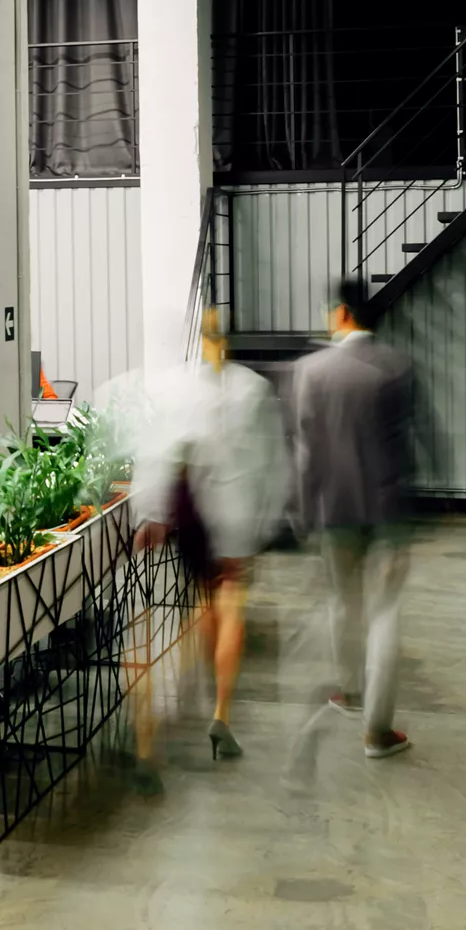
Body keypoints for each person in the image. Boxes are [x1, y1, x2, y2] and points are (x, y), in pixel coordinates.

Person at [129, 311, 288, 783]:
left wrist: (151, 514)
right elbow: (273, 463)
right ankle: (221, 713)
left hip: (192, 514)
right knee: (229, 607)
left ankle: (152, 734)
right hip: (236, 516)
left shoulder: (174, 387)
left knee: (190, 608)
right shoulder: (253, 389)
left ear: (200, 339)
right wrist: (268, 520)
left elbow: (158, 454)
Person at [289, 279, 424, 759]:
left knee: (343, 605)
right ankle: (377, 731)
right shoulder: (397, 366)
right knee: (385, 613)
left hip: (335, 510)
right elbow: (412, 440)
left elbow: (306, 453)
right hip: (388, 510)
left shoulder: (311, 371)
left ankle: (349, 692)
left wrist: (305, 512)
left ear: (342, 313)